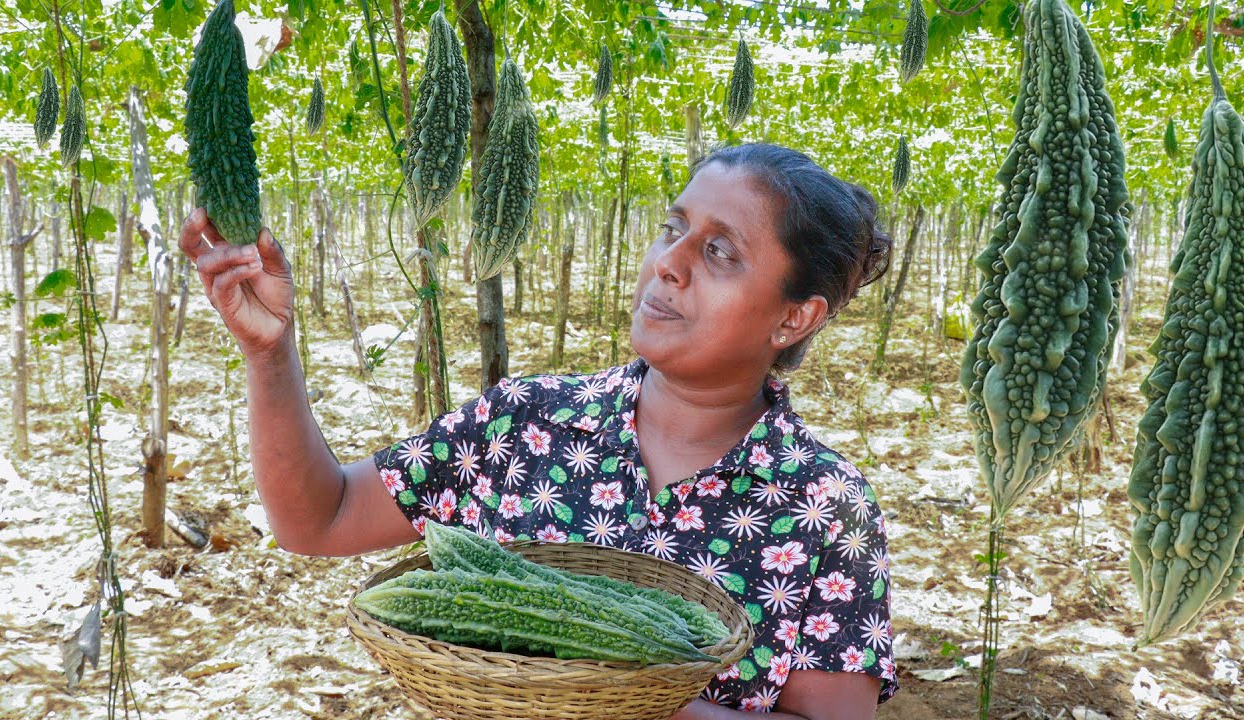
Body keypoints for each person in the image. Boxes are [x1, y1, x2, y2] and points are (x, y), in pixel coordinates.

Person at [180, 142, 897, 719]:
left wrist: (624, 695)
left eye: (720, 252)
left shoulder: (826, 506)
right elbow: (320, 517)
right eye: (673, 229)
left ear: (794, 316)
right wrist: (269, 352)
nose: (669, 264)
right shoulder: (525, 421)